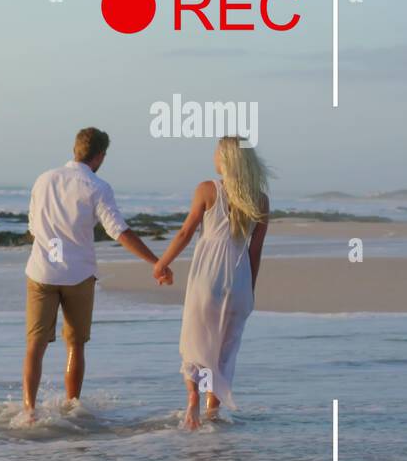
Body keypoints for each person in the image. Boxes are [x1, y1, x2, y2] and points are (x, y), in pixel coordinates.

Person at [22, 127, 169, 422]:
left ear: (75, 148)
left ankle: (28, 410)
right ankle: (72, 406)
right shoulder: (97, 187)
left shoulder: (44, 179)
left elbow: (33, 225)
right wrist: (156, 261)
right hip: (78, 274)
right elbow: (119, 231)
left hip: (41, 271)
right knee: (75, 344)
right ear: (100, 156)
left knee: (35, 345)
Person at [154, 136, 270, 428]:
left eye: (217, 152)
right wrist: (250, 291)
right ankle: (212, 412)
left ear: (227, 159)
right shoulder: (261, 199)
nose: (214, 157)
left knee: (195, 342)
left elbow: (184, 233)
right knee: (223, 349)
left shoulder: (208, 190)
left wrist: (162, 262)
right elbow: (255, 252)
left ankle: (193, 398)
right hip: (240, 281)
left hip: (208, 278)